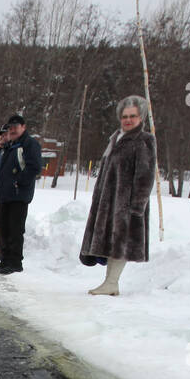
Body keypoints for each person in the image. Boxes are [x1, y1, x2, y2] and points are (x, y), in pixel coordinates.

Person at [79, 95, 156, 295]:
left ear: (142, 118)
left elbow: (145, 176)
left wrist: (137, 206)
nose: (128, 120)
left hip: (127, 203)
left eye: (133, 116)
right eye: (124, 116)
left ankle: (112, 282)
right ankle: (109, 282)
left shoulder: (144, 140)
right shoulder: (115, 138)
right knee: (111, 242)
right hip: (108, 201)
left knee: (121, 243)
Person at [0, 113, 42, 275]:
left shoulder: (29, 144)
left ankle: (15, 262)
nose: (12, 130)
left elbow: (34, 167)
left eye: (16, 127)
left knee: (15, 228)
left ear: (23, 127)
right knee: (3, 227)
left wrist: (18, 181)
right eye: (10, 127)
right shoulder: (10, 145)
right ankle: (6, 259)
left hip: (18, 195)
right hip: (5, 194)